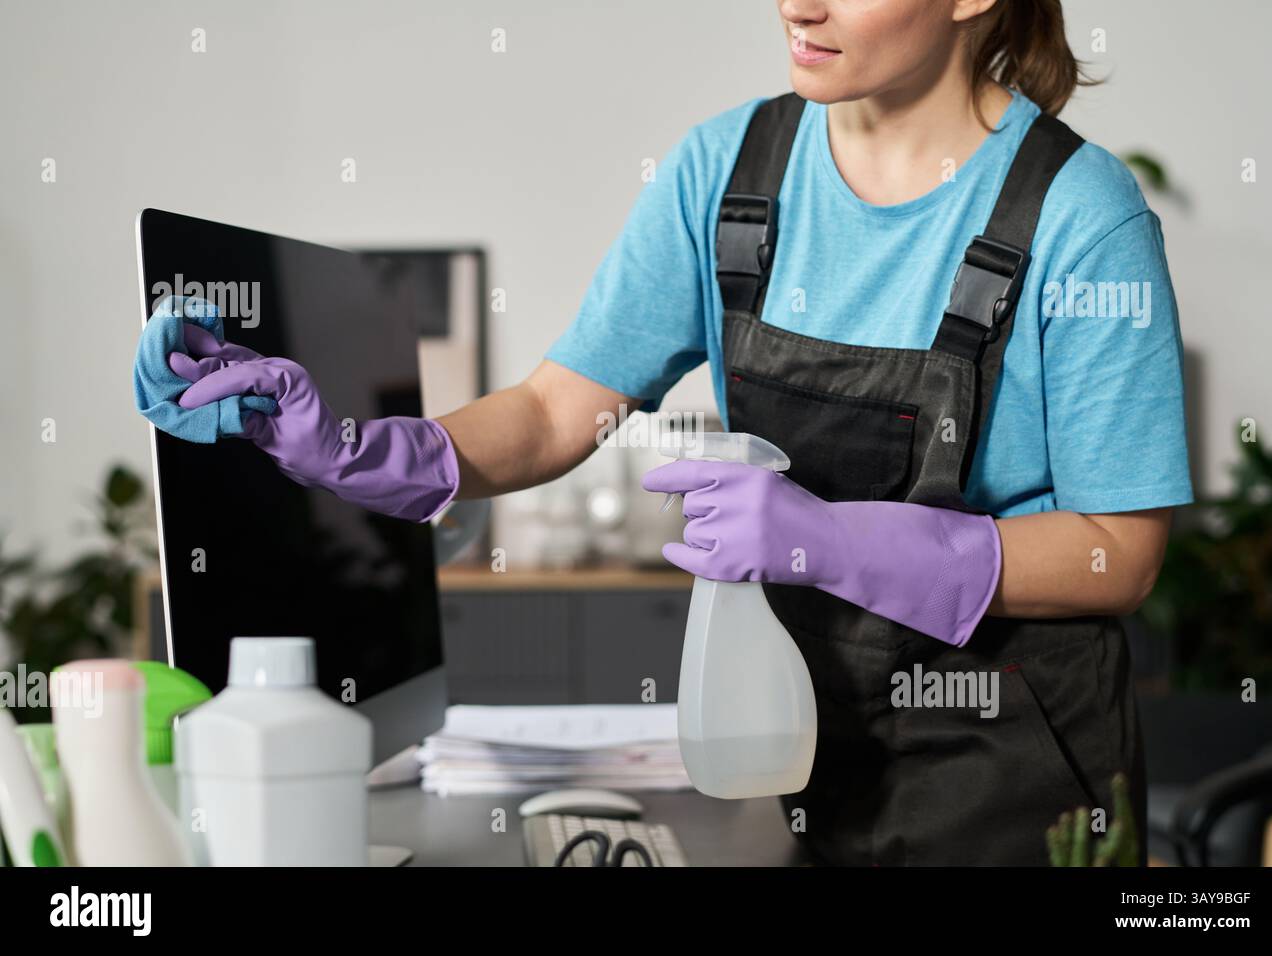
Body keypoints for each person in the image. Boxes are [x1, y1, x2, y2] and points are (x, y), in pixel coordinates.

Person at [146, 0, 1192, 865]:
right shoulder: (727, 172)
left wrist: (830, 539)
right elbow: (559, 409)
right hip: (792, 752)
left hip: (1015, 779)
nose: (798, 4)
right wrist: (361, 448)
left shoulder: (1080, 215)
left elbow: (1121, 552)